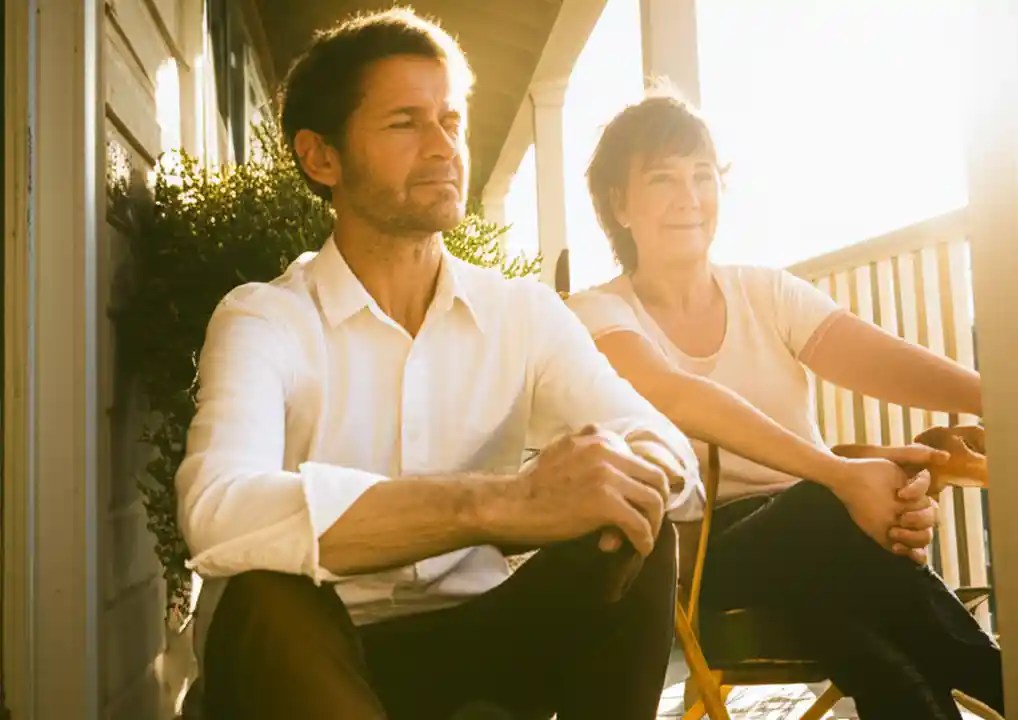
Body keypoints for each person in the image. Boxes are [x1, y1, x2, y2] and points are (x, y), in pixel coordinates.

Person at [176, 11, 702, 720]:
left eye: (450, 121)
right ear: (321, 157)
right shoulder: (265, 319)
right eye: (405, 123)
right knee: (264, 592)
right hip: (316, 656)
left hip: (481, 642)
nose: (443, 147)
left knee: (633, 518)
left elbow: (668, 450)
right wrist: (496, 504)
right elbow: (218, 510)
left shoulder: (521, 313)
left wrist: (615, 472)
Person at [566, 92, 1003, 719]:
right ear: (619, 204)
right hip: (707, 560)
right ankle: (1013, 686)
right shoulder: (597, 313)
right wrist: (843, 477)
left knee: (853, 626)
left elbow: (878, 359)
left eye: (702, 175)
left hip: (820, 549)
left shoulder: (765, 292)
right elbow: (677, 394)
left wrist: (1003, 399)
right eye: (662, 178)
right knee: (824, 513)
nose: (689, 197)